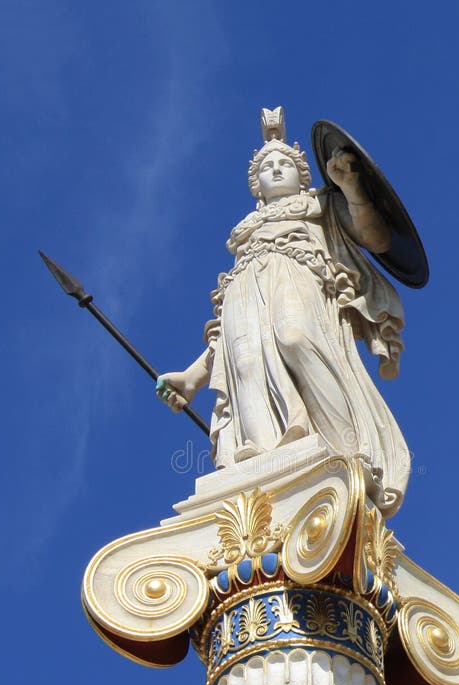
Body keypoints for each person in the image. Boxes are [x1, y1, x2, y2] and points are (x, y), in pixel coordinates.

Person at [158, 109, 410, 516]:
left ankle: (344, 446)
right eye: (267, 167)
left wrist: (351, 187)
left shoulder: (322, 206)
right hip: (245, 291)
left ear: (302, 175)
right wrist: (192, 378)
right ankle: (260, 452)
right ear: (255, 184)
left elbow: (375, 238)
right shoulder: (245, 235)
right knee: (244, 361)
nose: (275, 170)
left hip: (298, 278)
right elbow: (220, 337)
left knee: (294, 337)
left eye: (284, 164)